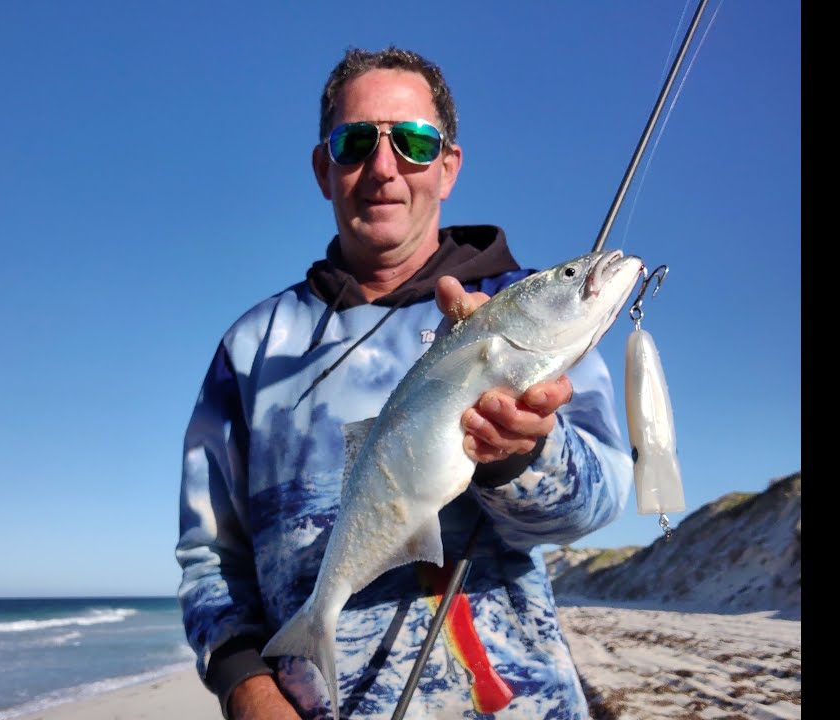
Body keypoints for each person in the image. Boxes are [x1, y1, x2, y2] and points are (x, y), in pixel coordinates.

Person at [177, 46, 634, 719]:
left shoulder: (513, 309)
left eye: (415, 142)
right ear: (323, 167)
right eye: (355, 141)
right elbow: (209, 551)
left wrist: (526, 454)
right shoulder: (253, 348)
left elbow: (597, 504)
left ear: (447, 167)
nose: (384, 167)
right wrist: (246, 687)